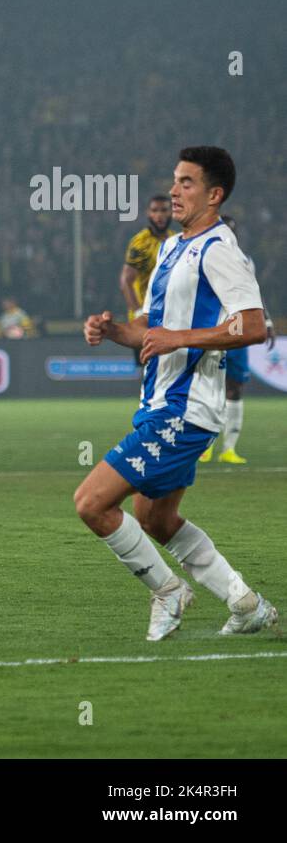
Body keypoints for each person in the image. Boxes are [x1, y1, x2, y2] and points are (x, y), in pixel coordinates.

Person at [73, 147, 278, 640]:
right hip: (161, 401)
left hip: (188, 408)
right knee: (154, 517)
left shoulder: (220, 248)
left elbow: (252, 326)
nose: (174, 190)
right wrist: (113, 328)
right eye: (174, 180)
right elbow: (153, 329)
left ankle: (168, 591)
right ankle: (246, 603)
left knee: (91, 503)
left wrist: (178, 339)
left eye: (186, 182)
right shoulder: (170, 249)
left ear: (214, 194)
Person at [198, 215, 274, 464]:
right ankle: (203, 446)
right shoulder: (203, 256)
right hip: (212, 330)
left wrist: (267, 322)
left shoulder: (244, 261)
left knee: (235, 386)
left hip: (238, 331)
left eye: (231, 230)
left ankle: (229, 448)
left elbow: (253, 294)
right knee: (209, 386)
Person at [120, 195, 174, 363]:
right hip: (145, 318)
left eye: (164, 210)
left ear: (172, 212)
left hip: (168, 317)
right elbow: (126, 281)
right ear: (148, 214)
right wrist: (138, 314)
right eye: (155, 210)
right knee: (150, 373)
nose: (159, 215)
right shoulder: (141, 243)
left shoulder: (174, 240)